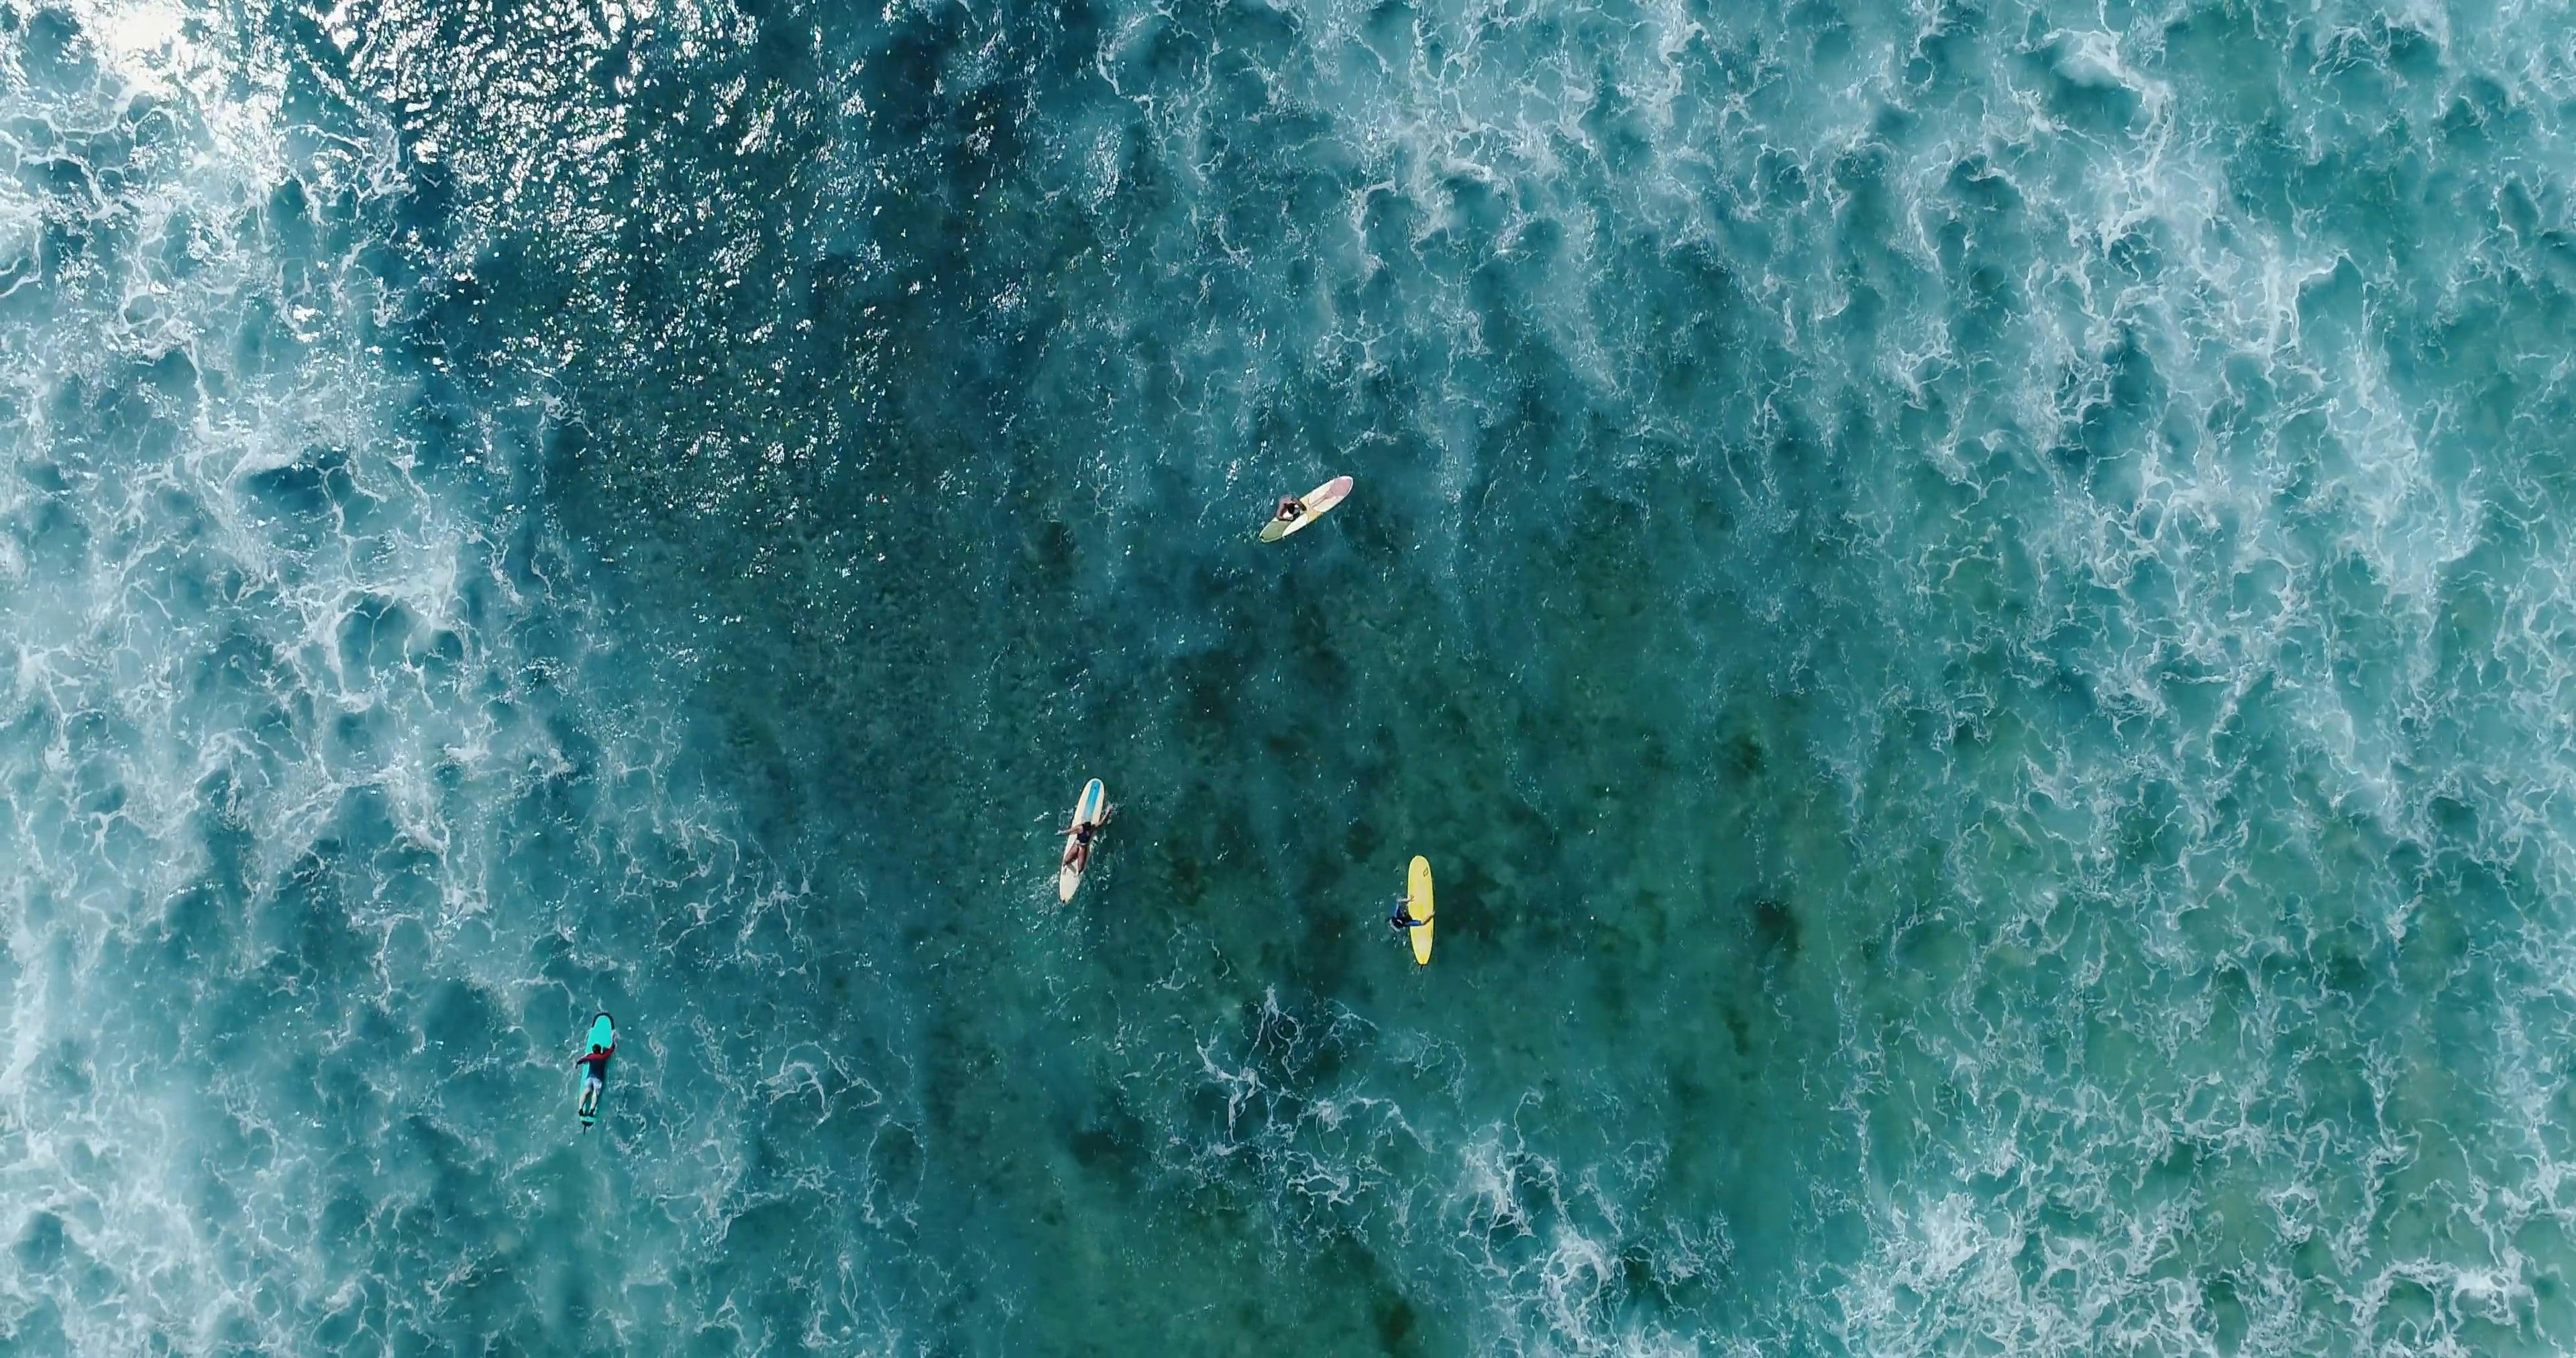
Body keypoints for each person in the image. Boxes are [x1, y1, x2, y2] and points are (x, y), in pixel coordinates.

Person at [1061, 803, 1115, 874]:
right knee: (1066, 861)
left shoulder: (1092, 828)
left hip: (1082, 847)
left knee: (1080, 868)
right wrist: (1062, 833)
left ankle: (1076, 870)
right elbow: (1070, 831)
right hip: (1077, 845)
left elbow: (1102, 823)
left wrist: (1108, 813)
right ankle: (1066, 866)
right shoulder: (1081, 828)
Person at [574, 1036, 615, 1123]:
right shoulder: (603, 1057)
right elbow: (611, 1050)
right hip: (598, 1080)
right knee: (595, 1093)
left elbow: (582, 1060)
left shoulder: (590, 1057)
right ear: (600, 1051)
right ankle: (592, 1111)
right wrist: (613, 1039)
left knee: (586, 1091)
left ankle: (581, 1109)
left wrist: (577, 1063)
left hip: (589, 1078)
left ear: (593, 1051)